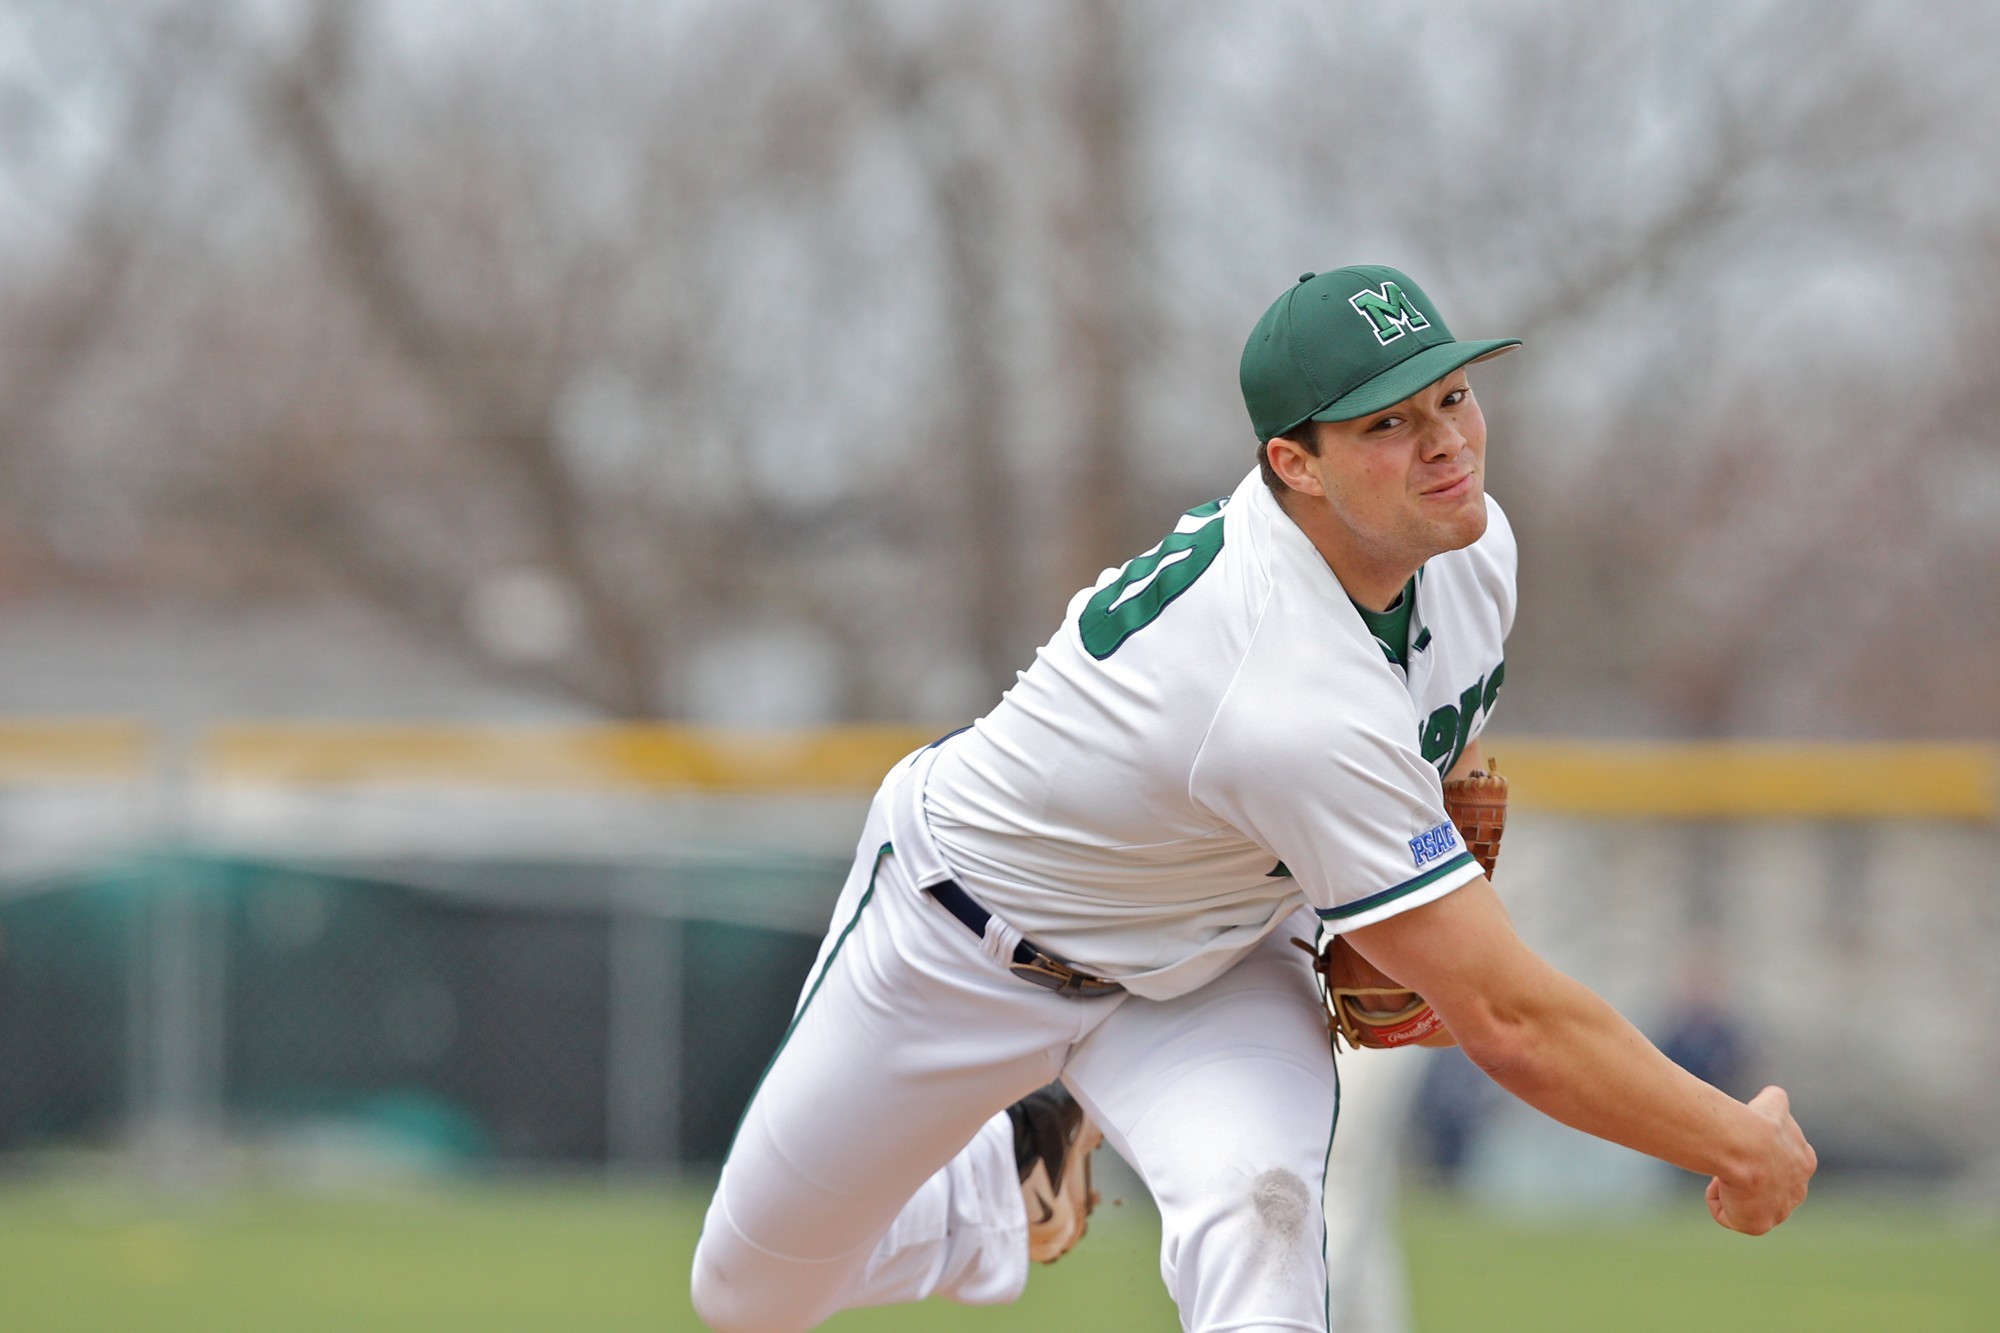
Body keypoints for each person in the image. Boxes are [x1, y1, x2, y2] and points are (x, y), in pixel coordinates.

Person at [690, 265, 1816, 1333]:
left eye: (1453, 396)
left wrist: (1427, 843)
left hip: (1217, 965)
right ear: (1294, 464)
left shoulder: (1468, 545)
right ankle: (1008, 1178)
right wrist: (1733, 1141)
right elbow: (1511, 1023)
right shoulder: (1279, 686)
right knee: (748, 1294)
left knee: (1264, 1227)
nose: (1444, 445)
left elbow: (1450, 742)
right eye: (1385, 423)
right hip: (961, 946)